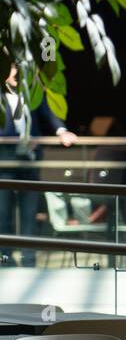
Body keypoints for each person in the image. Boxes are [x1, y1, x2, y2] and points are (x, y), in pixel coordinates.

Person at [1, 66, 78, 266]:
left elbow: (48, 112)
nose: (16, 74)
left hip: (29, 161)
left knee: (30, 213)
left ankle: (29, 259)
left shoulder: (32, 93)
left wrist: (61, 131)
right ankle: (5, 258)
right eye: (11, 69)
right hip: (3, 164)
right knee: (3, 215)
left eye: (18, 69)